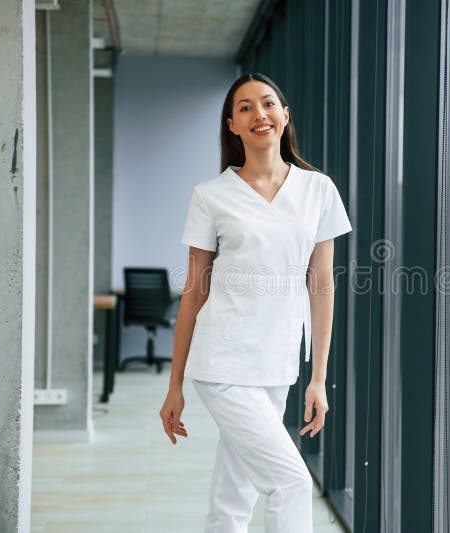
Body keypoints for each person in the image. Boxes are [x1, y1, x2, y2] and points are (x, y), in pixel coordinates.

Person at [159, 73, 353, 533]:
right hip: (222, 362)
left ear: (285, 116)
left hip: (278, 364)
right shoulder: (211, 196)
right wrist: (175, 384)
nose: (259, 114)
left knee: (234, 494)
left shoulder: (318, 190)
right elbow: (194, 292)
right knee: (290, 481)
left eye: (268, 104)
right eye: (245, 107)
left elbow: (322, 285)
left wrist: (319, 378)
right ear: (232, 125)